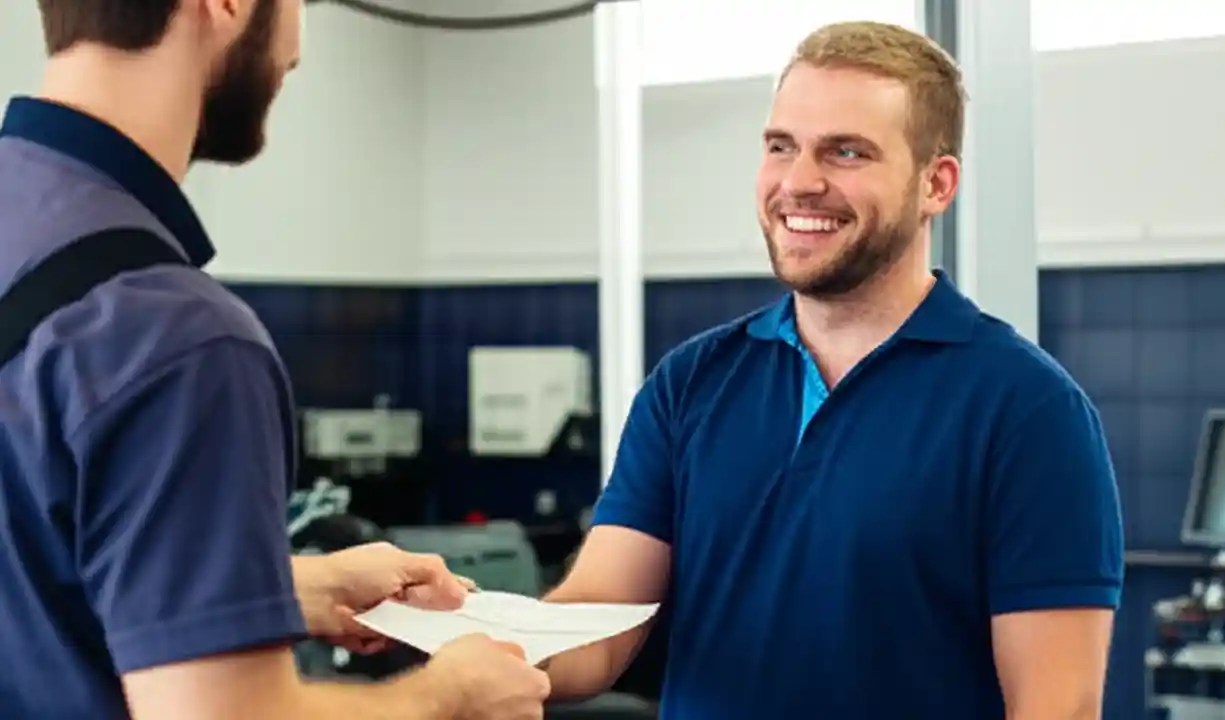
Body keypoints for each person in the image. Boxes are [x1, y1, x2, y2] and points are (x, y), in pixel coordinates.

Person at [541, 20, 1124, 719]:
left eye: (845, 152)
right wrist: (460, 628)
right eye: (781, 146)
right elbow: (594, 630)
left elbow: (1056, 707)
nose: (799, 182)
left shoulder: (1028, 411)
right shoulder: (691, 382)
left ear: (935, 184)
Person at [0, 1, 549, 718]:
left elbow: (33, 565)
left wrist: (283, 588)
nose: (297, 47)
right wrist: (452, 696)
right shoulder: (176, 335)